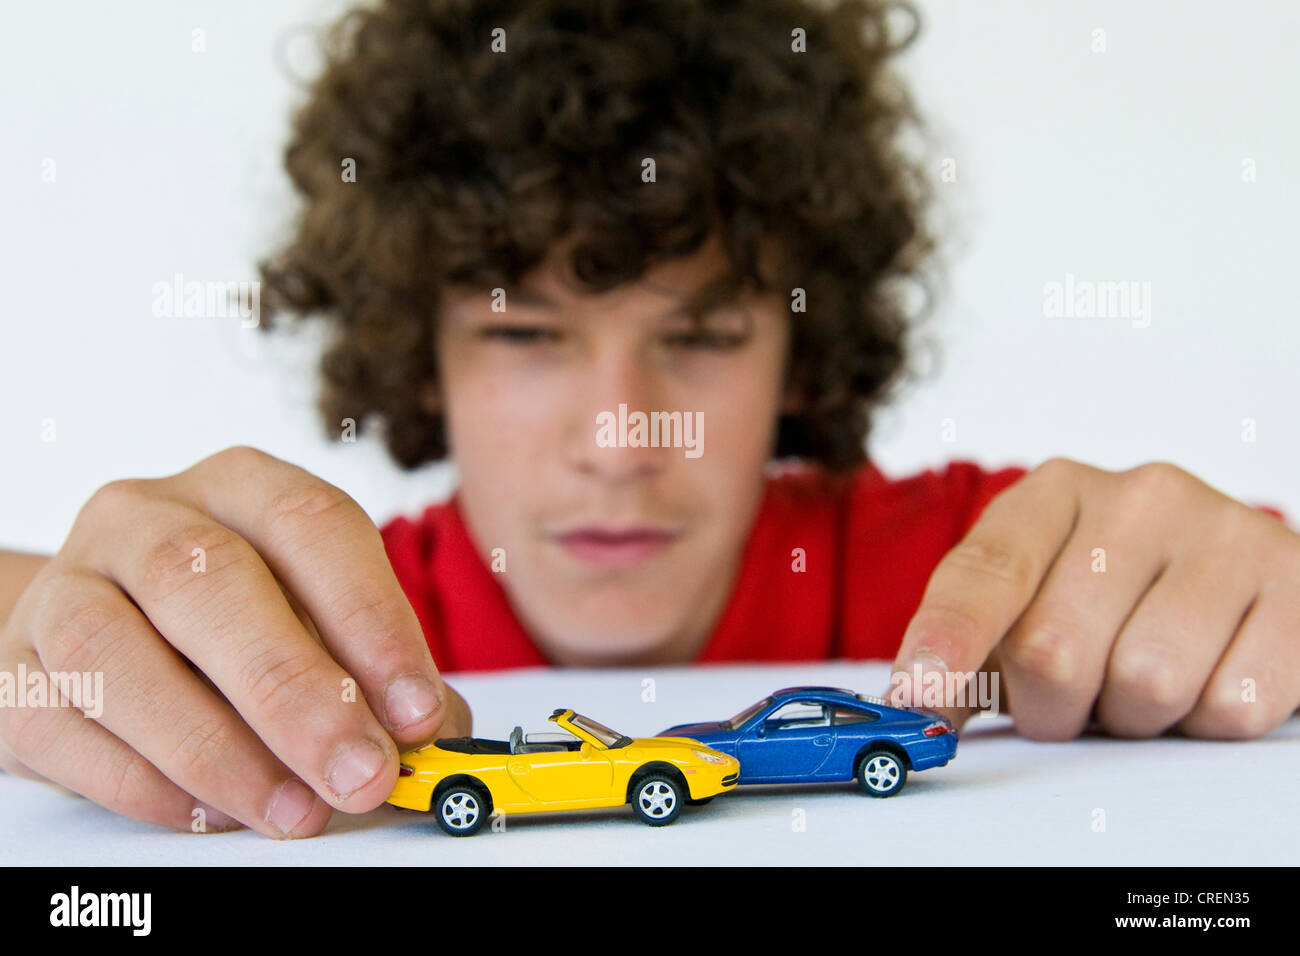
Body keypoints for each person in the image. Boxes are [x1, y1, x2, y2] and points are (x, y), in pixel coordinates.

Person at [1, 0, 1295, 840]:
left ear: (801, 345)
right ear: (418, 353)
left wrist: (1252, 585)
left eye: (703, 335)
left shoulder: (974, 572)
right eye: (523, 336)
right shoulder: (317, 630)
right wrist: (47, 629)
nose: (620, 443)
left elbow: (1231, 592)